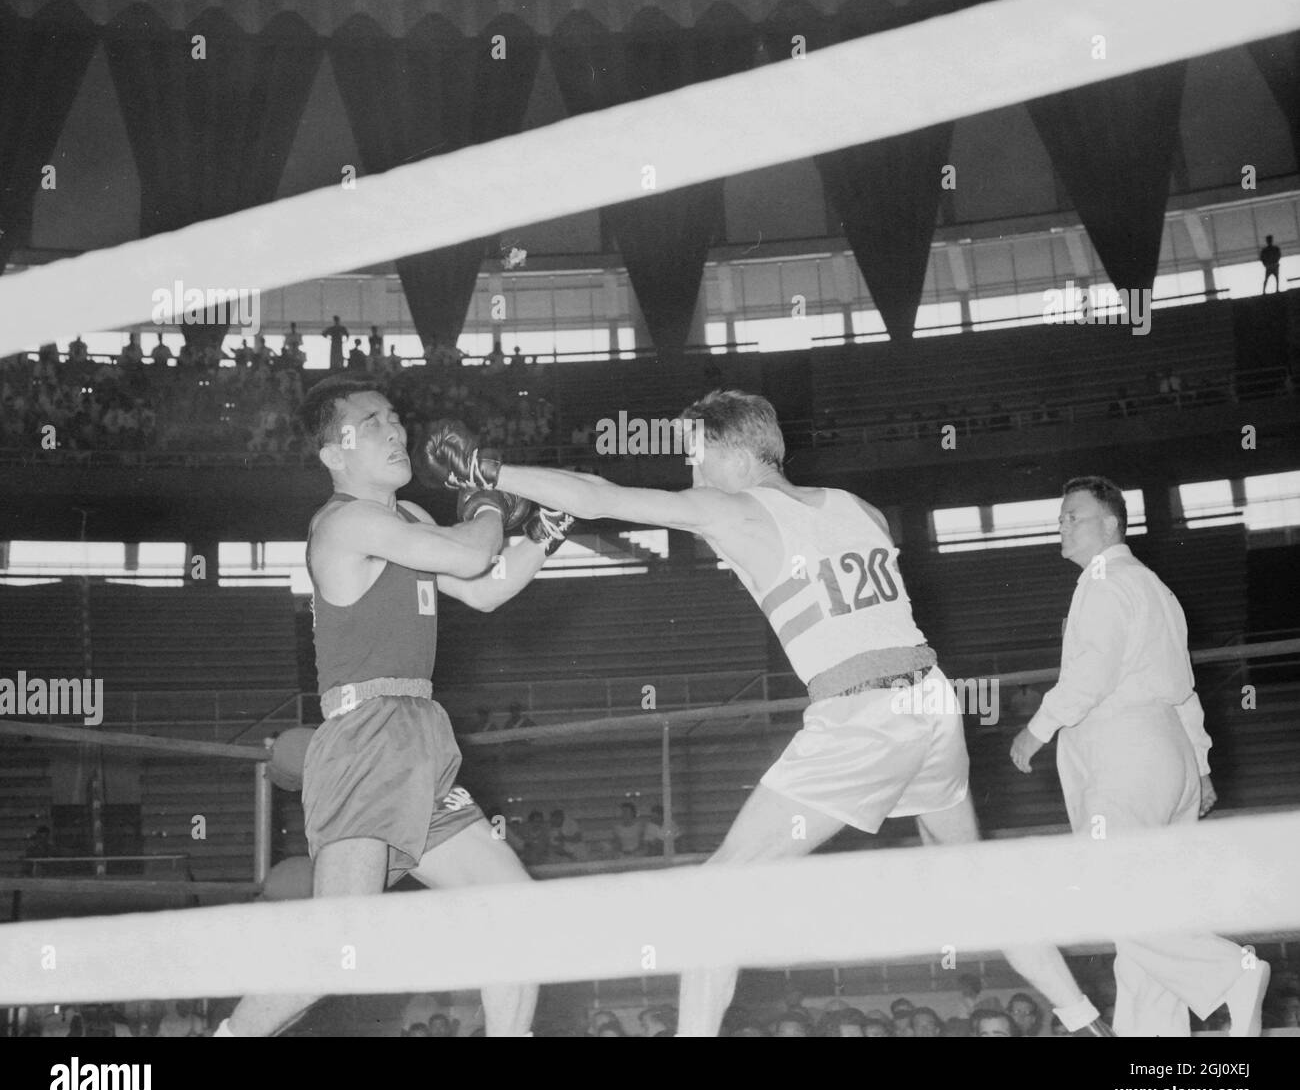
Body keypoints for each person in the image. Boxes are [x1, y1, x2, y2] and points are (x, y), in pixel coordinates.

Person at [417, 390, 1110, 1037]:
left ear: (737, 454)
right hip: (931, 705)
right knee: (971, 877)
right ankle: (1083, 1018)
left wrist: (488, 469)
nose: (692, 465)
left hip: (863, 716)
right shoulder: (856, 504)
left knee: (714, 895)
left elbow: (599, 496)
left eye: (699, 452)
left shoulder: (737, 510)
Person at [213, 376, 572, 1038]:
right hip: (367, 739)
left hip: (418, 740)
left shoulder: (410, 521)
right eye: (373, 421)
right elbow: (471, 554)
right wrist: (487, 500)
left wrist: (544, 532)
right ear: (334, 453)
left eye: (395, 418)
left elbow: (486, 587)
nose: (395, 429)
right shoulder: (346, 522)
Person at [1010, 476, 1270, 1038]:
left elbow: (1092, 672)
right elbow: (1184, 691)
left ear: (1108, 525)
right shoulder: (1156, 589)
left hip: (1123, 748)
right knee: (1148, 918)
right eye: (1060, 517)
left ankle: (1231, 973)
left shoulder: (1101, 581)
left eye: (1071, 516)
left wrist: (1037, 729)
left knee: (1114, 892)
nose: (1062, 525)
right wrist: (1198, 766)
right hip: (1165, 751)